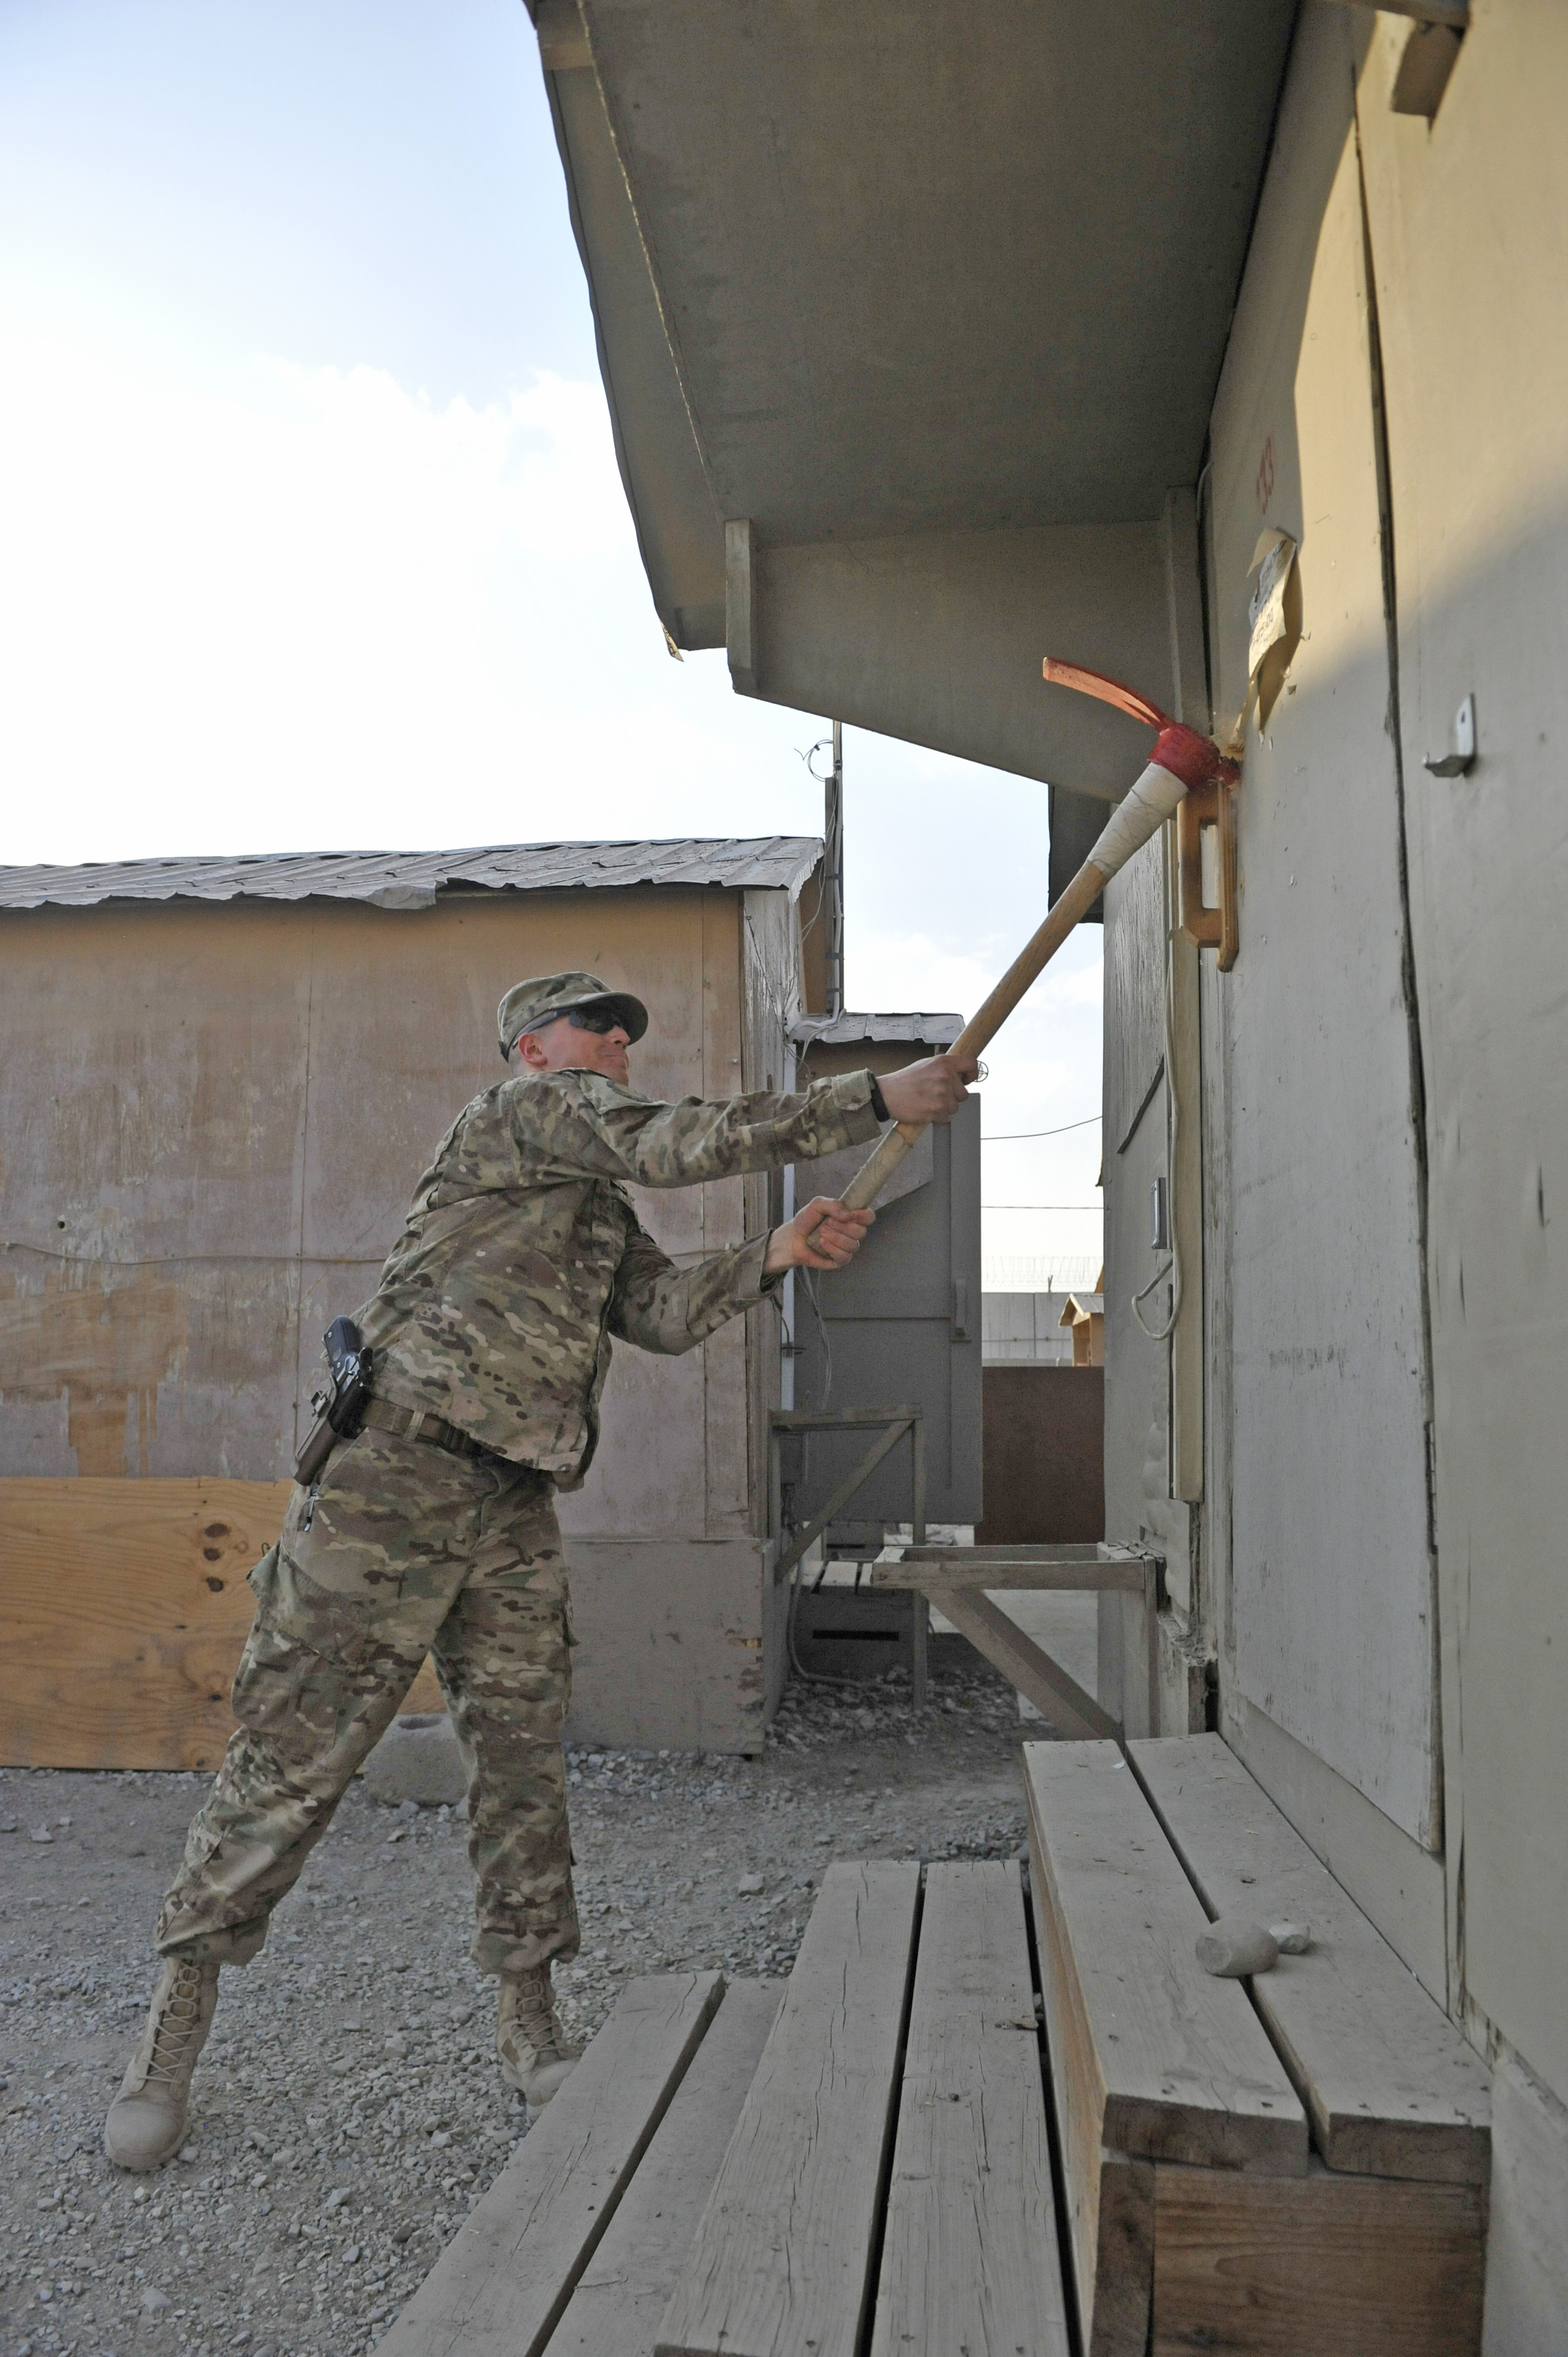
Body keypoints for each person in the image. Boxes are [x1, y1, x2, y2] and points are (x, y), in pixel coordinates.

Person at [104, 970, 978, 2170]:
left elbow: (658, 1312)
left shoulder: (592, 1200)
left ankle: (530, 2028)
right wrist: (873, 1099)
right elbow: (676, 1143)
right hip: (393, 1482)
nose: (619, 1042)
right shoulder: (516, 1118)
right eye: (596, 1026)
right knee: (292, 1760)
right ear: (531, 1049)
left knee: (521, 1763)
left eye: (628, 1030)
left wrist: (774, 1251)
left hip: (511, 1499)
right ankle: (170, 2042)